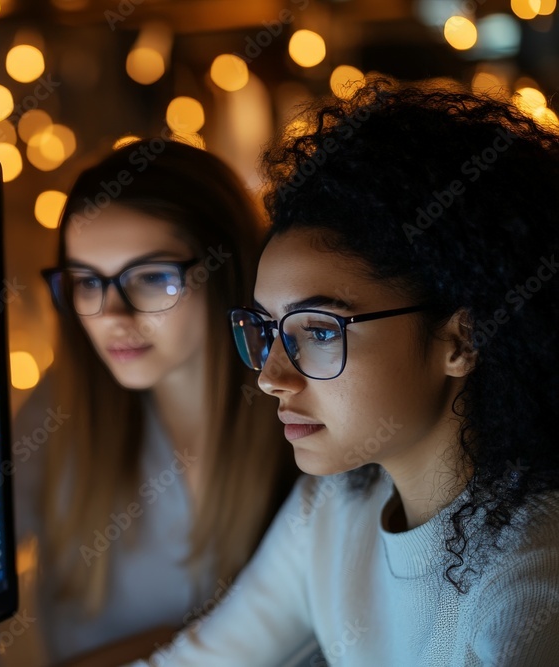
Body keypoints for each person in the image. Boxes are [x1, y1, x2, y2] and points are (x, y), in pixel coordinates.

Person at [123, 79, 559, 666]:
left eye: (320, 332)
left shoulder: (529, 596)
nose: (272, 376)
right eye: (267, 330)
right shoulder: (332, 507)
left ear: (460, 339)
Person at [12, 139, 300, 665]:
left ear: (224, 269)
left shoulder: (299, 406)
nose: (112, 316)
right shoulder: (59, 405)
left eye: (150, 278)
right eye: (85, 282)